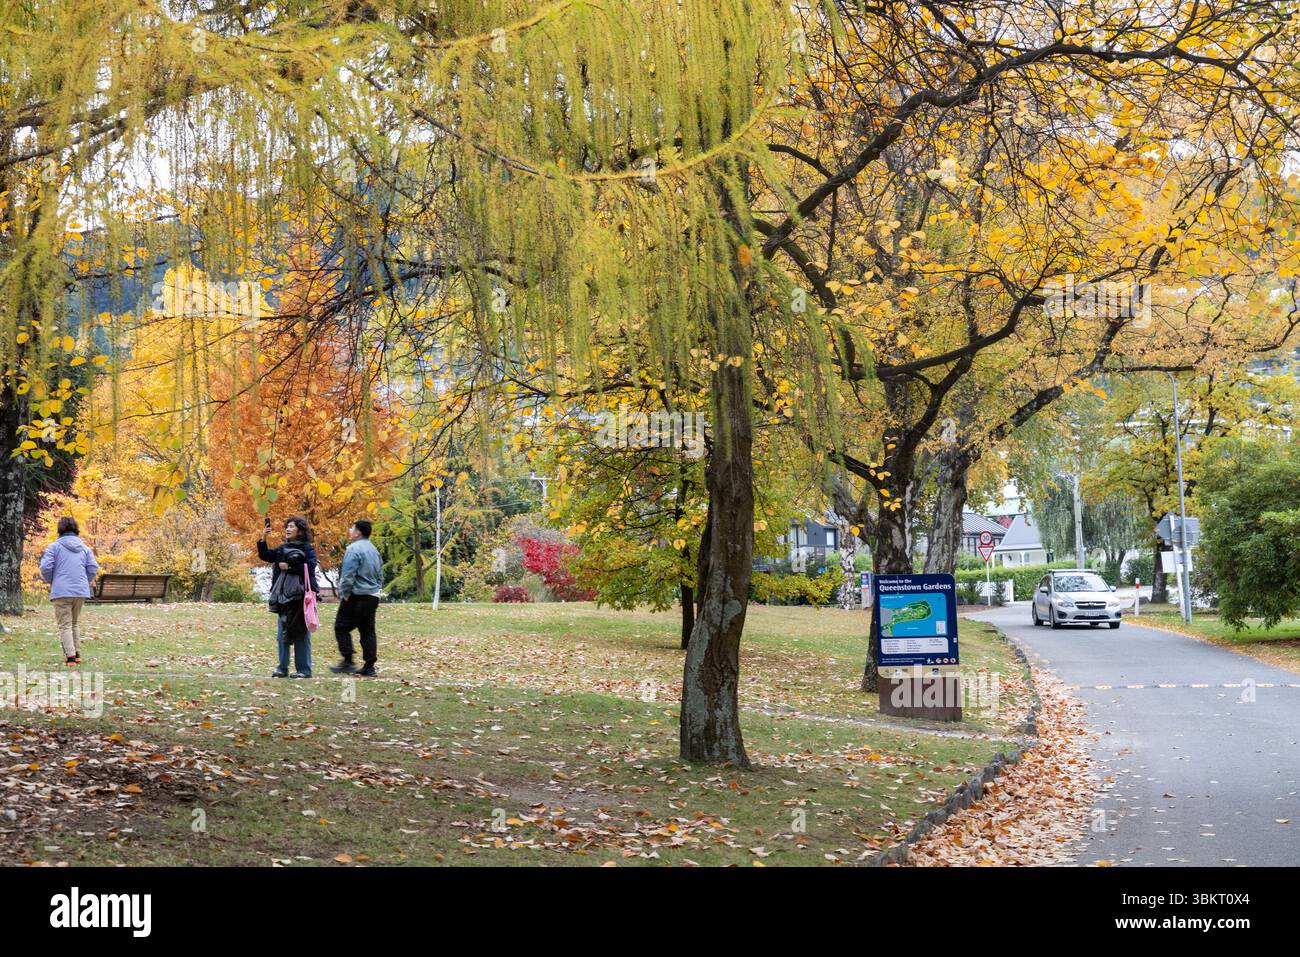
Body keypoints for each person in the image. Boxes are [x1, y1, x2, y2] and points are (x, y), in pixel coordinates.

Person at [259, 516, 319, 678]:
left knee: (301, 633)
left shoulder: (307, 549)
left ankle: (304, 670)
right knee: (282, 634)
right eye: (287, 526)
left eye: (291, 526)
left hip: (300, 597)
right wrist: (263, 537)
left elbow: (311, 568)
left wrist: (290, 567)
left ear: (300, 531)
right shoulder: (281, 549)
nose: (287, 529)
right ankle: (282, 668)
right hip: (282, 597)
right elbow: (265, 555)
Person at [39, 517, 100, 667]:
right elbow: (93, 568)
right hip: (80, 591)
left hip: (61, 591)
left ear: (60, 530)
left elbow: (45, 568)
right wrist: (83, 581)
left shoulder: (54, 547)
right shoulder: (85, 548)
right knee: (74, 623)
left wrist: (53, 581)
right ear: (76, 530)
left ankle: (70, 657)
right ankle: (77, 653)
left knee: (65, 625)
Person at [330, 519, 383, 677]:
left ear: (358, 532)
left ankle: (348, 660)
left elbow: (348, 575)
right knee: (367, 630)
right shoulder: (374, 550)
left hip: (356, 595)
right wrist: (376, 589)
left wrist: (345, 593)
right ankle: (369, 665)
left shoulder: (353, 549)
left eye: (352, 528)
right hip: (372, 595)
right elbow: (380, 575)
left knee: (341, 627)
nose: (350, 530)